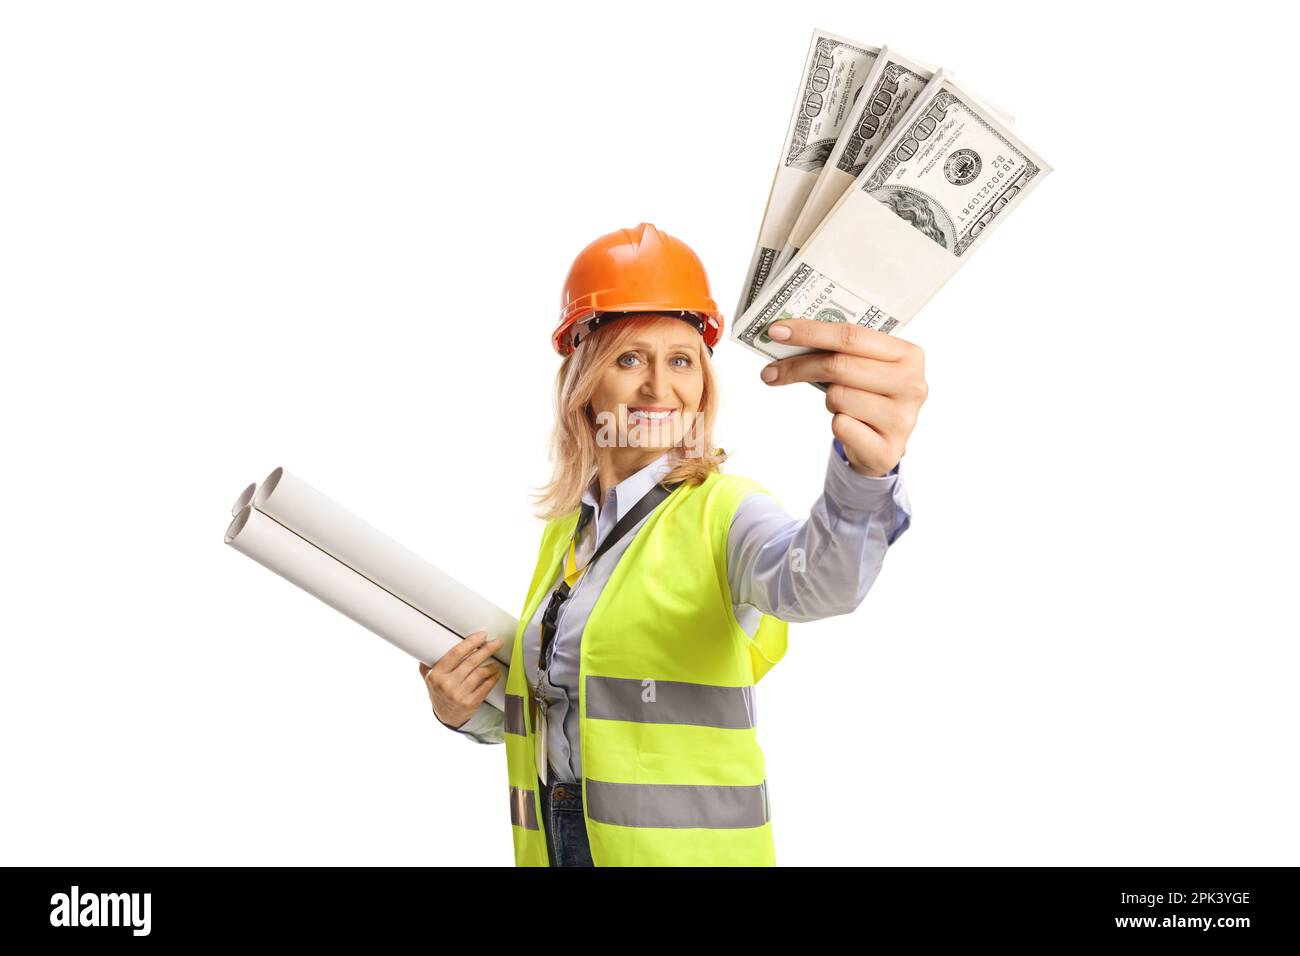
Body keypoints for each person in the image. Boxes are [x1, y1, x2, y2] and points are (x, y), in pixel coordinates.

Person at [419, 222, 927, 866]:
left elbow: (817, 583)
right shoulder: (567, 536)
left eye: (680, 360)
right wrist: (466, 711)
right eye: (630, 359)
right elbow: (575, 712)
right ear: (584, 378)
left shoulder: (725, 512)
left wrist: (864, 478)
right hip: (560, 846)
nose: (660, 388)